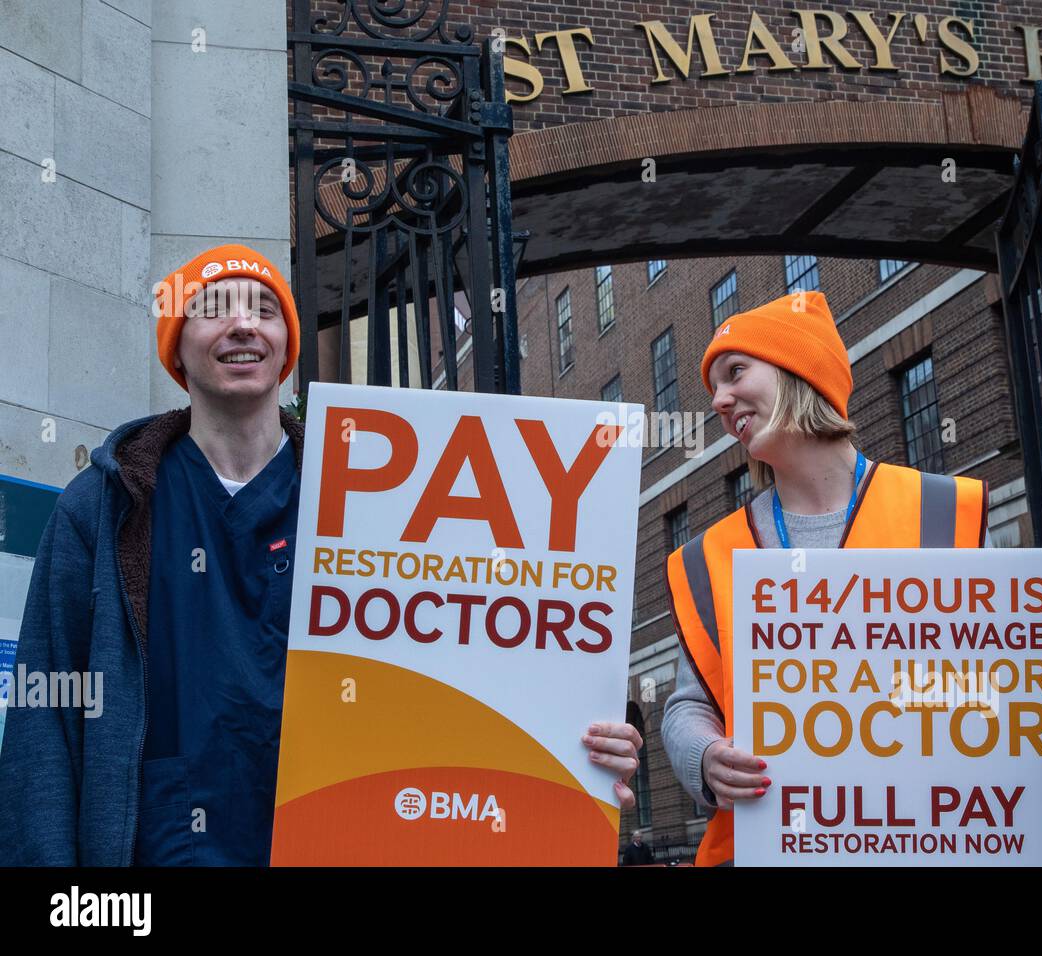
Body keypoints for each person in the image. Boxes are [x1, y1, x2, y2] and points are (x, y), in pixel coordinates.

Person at [0, 243, 643, 865]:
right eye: (214, 306)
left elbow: (473, 661)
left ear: (286, 346)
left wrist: (571, 752)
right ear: (176, 346)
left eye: (265, 308)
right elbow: (43, 725)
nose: (243, 324)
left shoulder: (374, 497)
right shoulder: (104, 505)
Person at [661, 291, 1042, 867]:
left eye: (735, 372)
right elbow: (687, 704)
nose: (720, 401)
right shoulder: (707, 555)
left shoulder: (942, 511)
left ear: (801, 370)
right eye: (713, 388)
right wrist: (706, 757)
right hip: (765, 850)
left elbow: (981, 685)